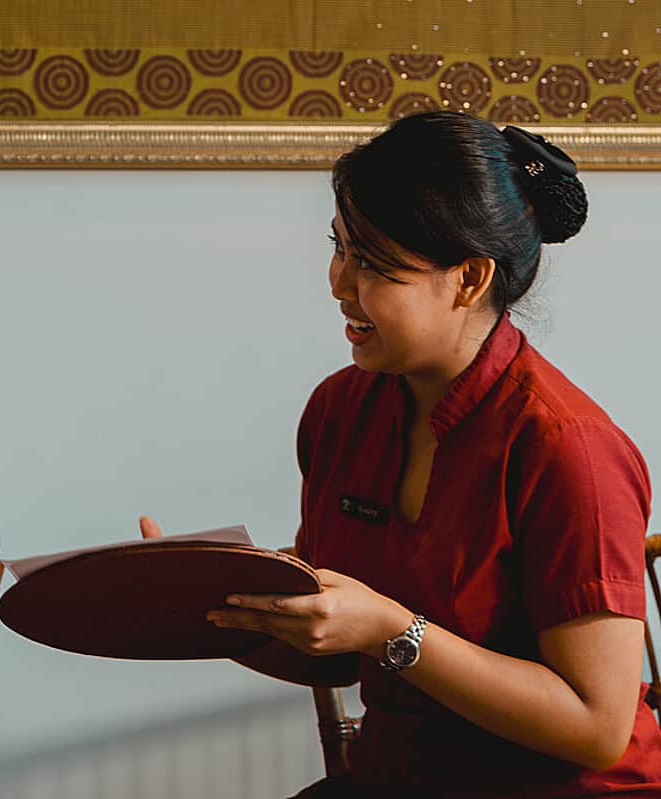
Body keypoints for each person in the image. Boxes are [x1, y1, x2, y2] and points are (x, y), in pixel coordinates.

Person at [143, 111, 661, 796]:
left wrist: (393, 627)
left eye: (373, 264)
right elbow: (334, 646)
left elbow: (596, 727)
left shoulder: (569, 449)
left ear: (470, 278)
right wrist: (208, 599)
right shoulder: (340, 410)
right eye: (340, 249)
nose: (338, 283)